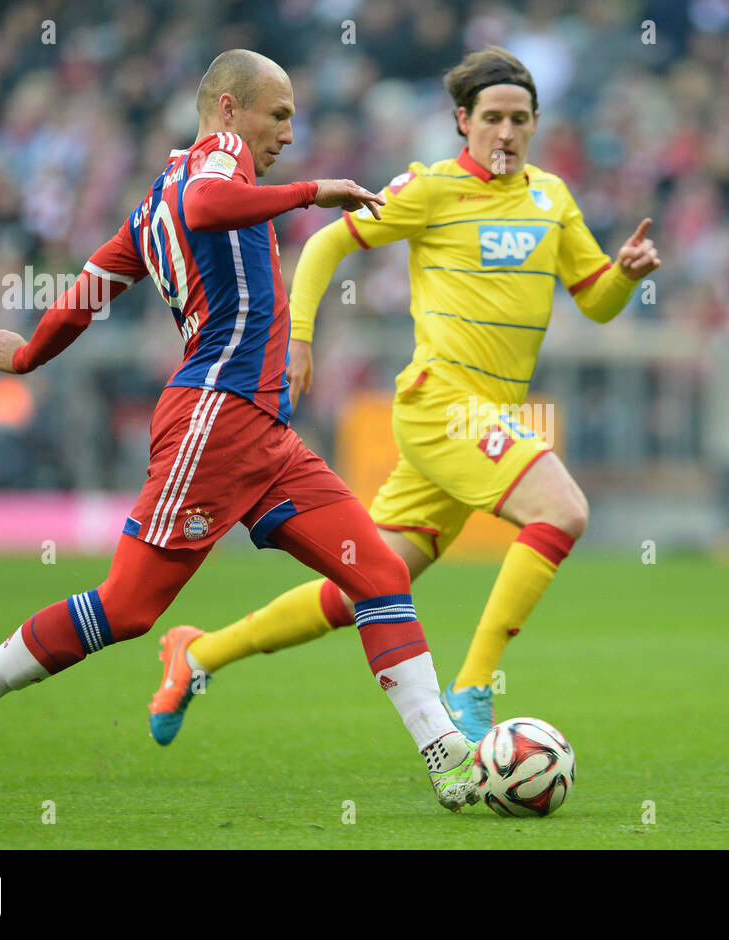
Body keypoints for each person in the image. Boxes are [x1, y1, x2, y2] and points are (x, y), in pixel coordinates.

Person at [0, 49, 480, 815]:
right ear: (230, 108)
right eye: (279, 115)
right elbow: (208, 209)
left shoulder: (151, 206)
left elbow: (89, 288)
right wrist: (312, 194)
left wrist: (32, 352)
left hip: (261, 431)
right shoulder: (218, 163)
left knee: (377, 572)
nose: (286, 134)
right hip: (213, 420)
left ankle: (447, 756)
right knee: (128, 609)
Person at [149, 46, 661, 744]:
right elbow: (326, 243)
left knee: (361, 584)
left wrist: (625, 276)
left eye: (519, 119)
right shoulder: (430, 189)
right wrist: (299, 336)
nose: (505, 132)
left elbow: (596, 302)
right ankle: (474, 688)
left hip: (485, 422)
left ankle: (198, 653)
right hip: (440, 407)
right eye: (492, 118)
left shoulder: (553, 200)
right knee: (563, 510)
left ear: (536, 124)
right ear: (463, 120)